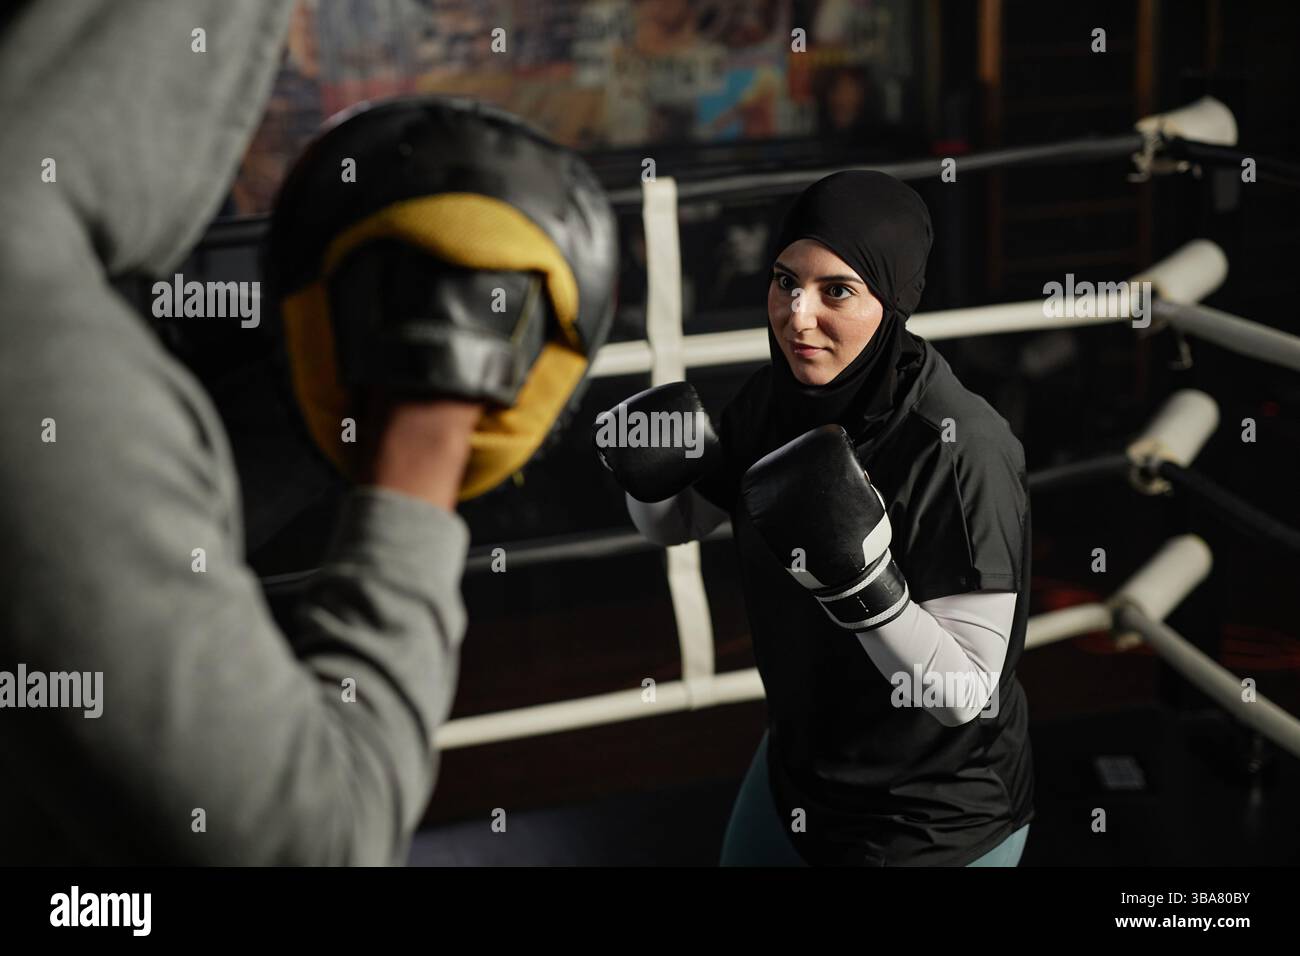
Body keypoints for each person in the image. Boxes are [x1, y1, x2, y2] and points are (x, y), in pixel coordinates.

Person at [0, 1, 615, 864]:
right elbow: (310, 842)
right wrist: (423, 447)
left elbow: (94, 541)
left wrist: (319, 378)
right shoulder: (38, 343)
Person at [598, 170, 1034, 866]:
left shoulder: (958, 448)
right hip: (798, 771)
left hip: (930, 819)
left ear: (890, 299)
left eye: (836, 290)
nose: (798, 314)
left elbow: (964, 692)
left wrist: (865, 590)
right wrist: (642, 478)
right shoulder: (776, 398)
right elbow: (678, 524)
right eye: (784, 281)